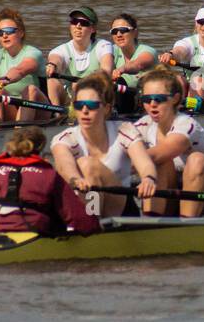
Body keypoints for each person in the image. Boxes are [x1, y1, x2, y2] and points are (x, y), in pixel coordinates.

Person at [51, 74, 159, 217]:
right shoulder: (65, 138)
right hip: (83, 204)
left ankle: (92, 223)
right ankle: (92, 220)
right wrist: (75, 179)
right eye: (78, 105)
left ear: (107, 109)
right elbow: (64, 164)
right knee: (85, 167)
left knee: (87, 164)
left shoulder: (124, 130)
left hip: (121, 208)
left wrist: (148, 178)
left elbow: (144, 162)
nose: (84, 111)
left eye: (92, 105)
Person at [0, 125, 102, 235]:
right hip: (29, 232)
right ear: (40, 150)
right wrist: (96, 224)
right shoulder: (49, 175)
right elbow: (84, 223)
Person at [127, 65, 204, 217]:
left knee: (195, 159)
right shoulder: (144, 124)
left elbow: (158, 154)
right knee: (160, 163)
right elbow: (118, 146)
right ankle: (152, 222)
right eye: (146, 99)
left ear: (175, 99)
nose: (152, 104)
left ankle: (187, 225)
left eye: (159, 99)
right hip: (171, 193)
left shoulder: (186, 124)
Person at [0, 7, 51, 123]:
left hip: (39, 108)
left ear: (21, 33)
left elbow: (21, 70)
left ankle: (19, 134)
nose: (5, 35)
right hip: (11, 107)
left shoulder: (33, 52)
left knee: (30, 89)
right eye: (0, 33)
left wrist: (6, 79)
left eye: (9, 31)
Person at [46, 6, 114, 107]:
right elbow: (56, 59)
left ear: (93, 29)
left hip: (96, 99)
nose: (78, 26)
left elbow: (106, 71)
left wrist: (83, 84)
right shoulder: (61, 50)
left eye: (84, 23)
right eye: (74, 21)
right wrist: (52, 65)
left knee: (76, 85)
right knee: (51, 80)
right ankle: (57, 116)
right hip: (69, 100)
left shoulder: (103, 45)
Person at [108, 13, 158, 114]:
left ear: (135, 33)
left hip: (148, 102)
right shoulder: (110, 51)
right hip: (122, 101)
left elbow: (136, 65)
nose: (118, 35)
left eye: (123, 30)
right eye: (114, 31)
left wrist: (121, 70)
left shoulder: (148, 51)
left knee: (121, 81)